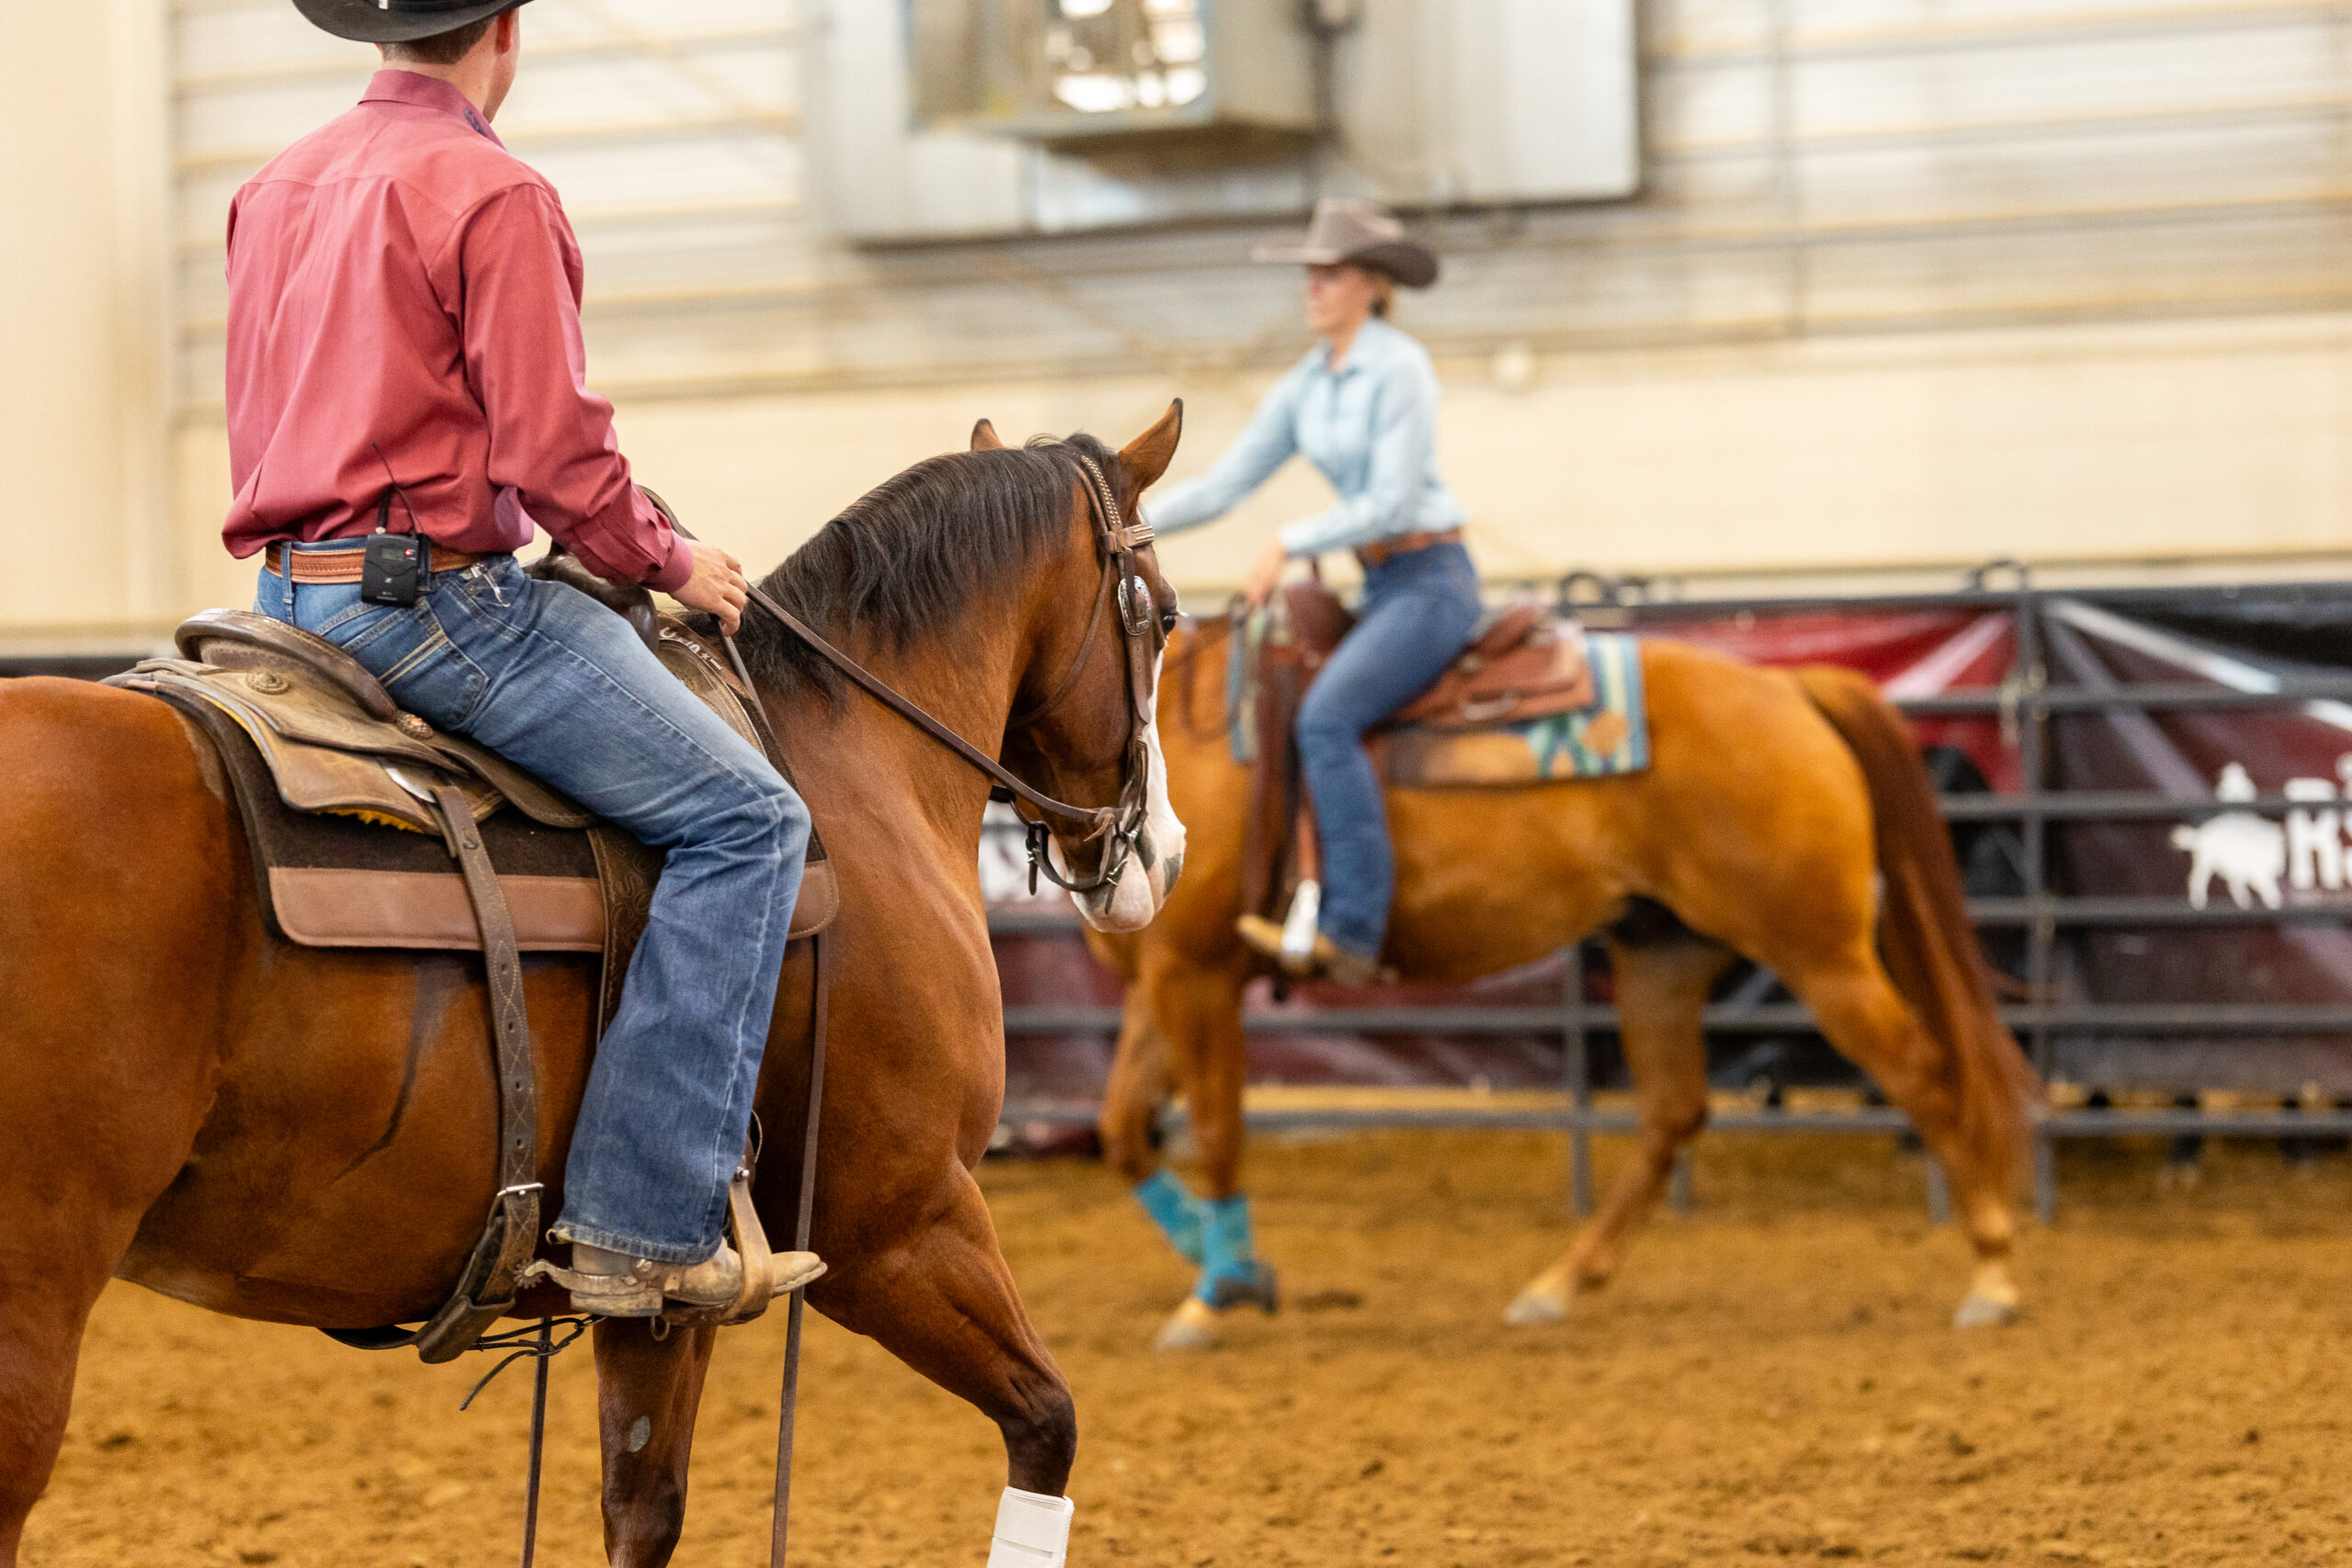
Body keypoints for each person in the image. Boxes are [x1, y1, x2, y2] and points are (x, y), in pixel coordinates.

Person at [224, 0, 821, 1317]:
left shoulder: (271, 187)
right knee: (752, 821)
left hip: (282, 601)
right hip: (438, 606)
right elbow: (556, 457)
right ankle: (643, 1220)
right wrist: (671, 558)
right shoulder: (494, 189)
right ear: (506, 28)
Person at [1148, 198, 1481, 984]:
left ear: (1369, 284)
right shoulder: (1308, 384)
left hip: (1432, 581)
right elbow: (1228, 482)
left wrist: (1290, 539)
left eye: (1328, 274)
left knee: (1328, 716)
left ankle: (1354, 926)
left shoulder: (1400, 367)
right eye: (1310, 274)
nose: (1312, 288)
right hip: (1385, 581)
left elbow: (1396, 503)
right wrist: (1120, 519)